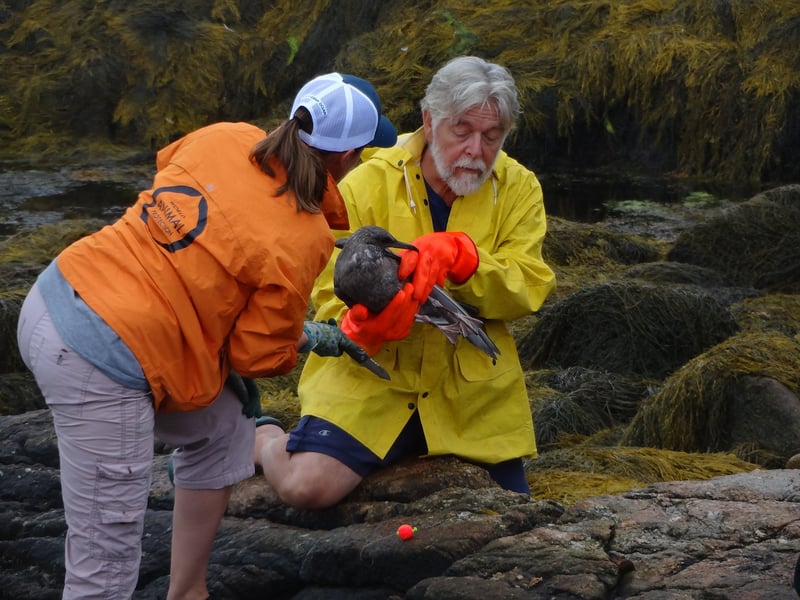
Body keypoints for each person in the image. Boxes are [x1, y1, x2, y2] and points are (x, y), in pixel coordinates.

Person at [16, 71, 397, 600]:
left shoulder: (226, 134)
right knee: (104, 565)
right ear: (345, 157)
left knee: (225, 423)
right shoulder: (305, 234)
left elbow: (167, 168)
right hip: (101, 359)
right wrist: (309, 335)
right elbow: (257, 353)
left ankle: (188, 591)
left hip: (54, 293)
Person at [254, 56, 557, 509]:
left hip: (472, 401)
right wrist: (361, 324)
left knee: (516, 514)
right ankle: (261, 436)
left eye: (492, 136)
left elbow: (529, 286)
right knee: (306, 489)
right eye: (462, 131)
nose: (476, 149)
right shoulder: (364, 181)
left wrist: (467, 261)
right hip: (371, 385)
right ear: (430, 122)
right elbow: (320, 290)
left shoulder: (519, 188)